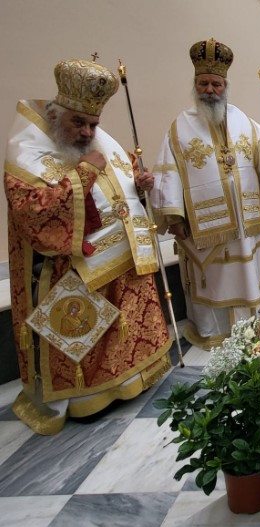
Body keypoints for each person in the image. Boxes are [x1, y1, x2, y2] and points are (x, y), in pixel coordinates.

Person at [4, 59, 172, 434]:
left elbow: (120, 175)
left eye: (92, 124)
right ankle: (86, 398)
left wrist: (139, 182)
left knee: (125, 328)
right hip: (71, 269)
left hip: (120, 254)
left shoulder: (100, 143)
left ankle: (130, 381)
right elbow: (34, 214)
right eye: (77, 123)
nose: (86, 132)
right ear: (54, 116)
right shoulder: (26, 154)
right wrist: (84, 173)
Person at [151, 39, 260, 349]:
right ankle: (213, 331)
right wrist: (174, 215)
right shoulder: (180, 127)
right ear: (195, 85)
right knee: (213, 277)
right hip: (204, 228)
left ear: (226, 85)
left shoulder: (244, 121)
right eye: (204, 83)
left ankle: (248, 326)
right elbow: (168, 171)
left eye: (216, 83)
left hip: (242, 225)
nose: (210, 90)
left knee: (243, 271)